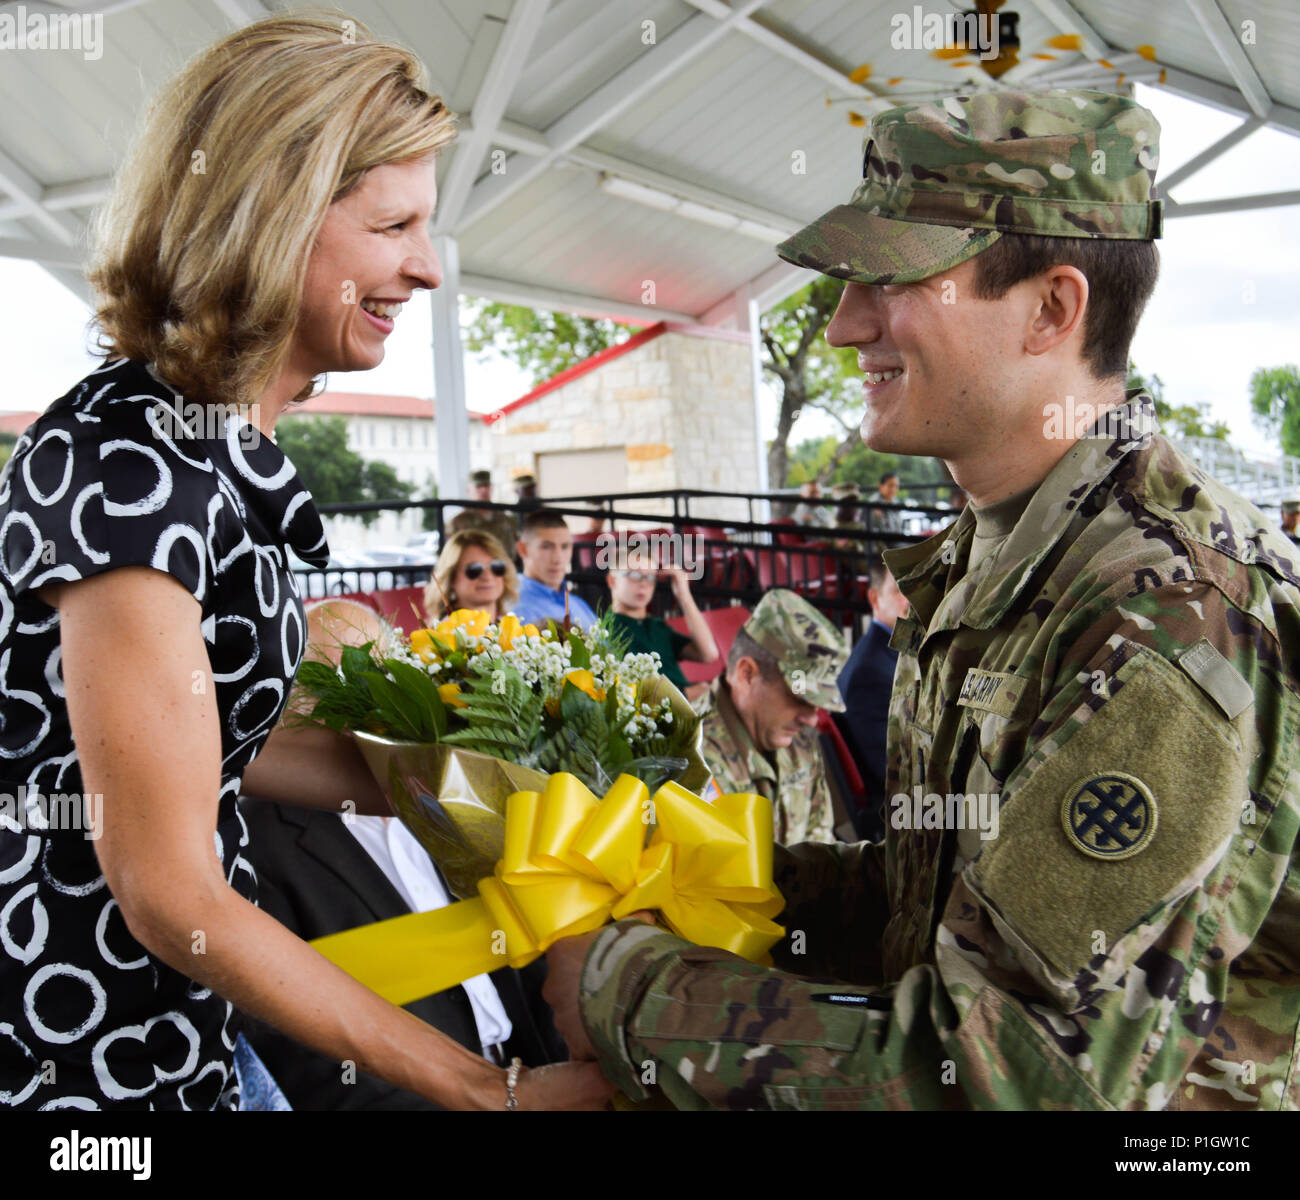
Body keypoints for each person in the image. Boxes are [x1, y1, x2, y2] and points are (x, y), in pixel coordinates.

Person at [543, 90, 1300, 1111]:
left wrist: (618, 989)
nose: (846, 322)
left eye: (892, 278)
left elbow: (1010, 1081)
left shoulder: (1163, 614)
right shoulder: (1007, 557)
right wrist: (679, 866)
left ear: (1051, 309)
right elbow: (931, 900)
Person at [0, 14, 607, 1111]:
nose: (425, 266)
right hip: (83, 1072)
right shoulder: (126, 462)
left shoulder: (221, 448)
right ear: (271, 223)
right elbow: (162, 885)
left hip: (177, 1042)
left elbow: (214, 751)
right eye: (393, 225)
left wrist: (533, 805)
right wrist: (488, 1091)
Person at [240, 601, 566, 1109]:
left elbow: (537, 951)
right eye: (335, 682)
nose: (371, 701)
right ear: (289, 701)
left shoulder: (454, 792)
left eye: (386, 674)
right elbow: (303, 1054)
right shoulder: (257, 844)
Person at [695, 590, 847, 845]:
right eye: (800, 698)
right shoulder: (689, 756)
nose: (812, 719)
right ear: (747, 674)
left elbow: (823, 851)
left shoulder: (798, 741)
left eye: (817, 703)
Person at [836, 557, 909, 841]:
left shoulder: (894, 653)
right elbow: (887, 768)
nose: (911, 599)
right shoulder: (871, 670)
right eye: (900, 589)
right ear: (874, 598)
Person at [606, 554, 718, 703]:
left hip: (692, 704)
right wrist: (687, 694)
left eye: (650, 577)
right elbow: (632, 692)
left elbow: (709, 654)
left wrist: (684, 595)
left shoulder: (658, 626)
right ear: (613, 580)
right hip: (664, 711)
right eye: (634, 575)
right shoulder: (608, 628)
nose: (644, 583)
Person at [513, 509, 598, 631]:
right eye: (547, 547)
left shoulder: (578, 604)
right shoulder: (513, 606)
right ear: (523, 549)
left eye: (565, 546)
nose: (558, 558)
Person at [424, 529, 519, 622]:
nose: (488, 577)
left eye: (497, 567)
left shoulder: (506, 625)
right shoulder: (448, 632)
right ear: (451, 578)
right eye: (474, 569)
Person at [448, 469, 518, 555]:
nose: (484, 490)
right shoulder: (459, 522)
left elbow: (517, 547)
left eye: (486, 486)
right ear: (469, 490)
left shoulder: (505, 520)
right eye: (478, 486)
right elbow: (450, 554)